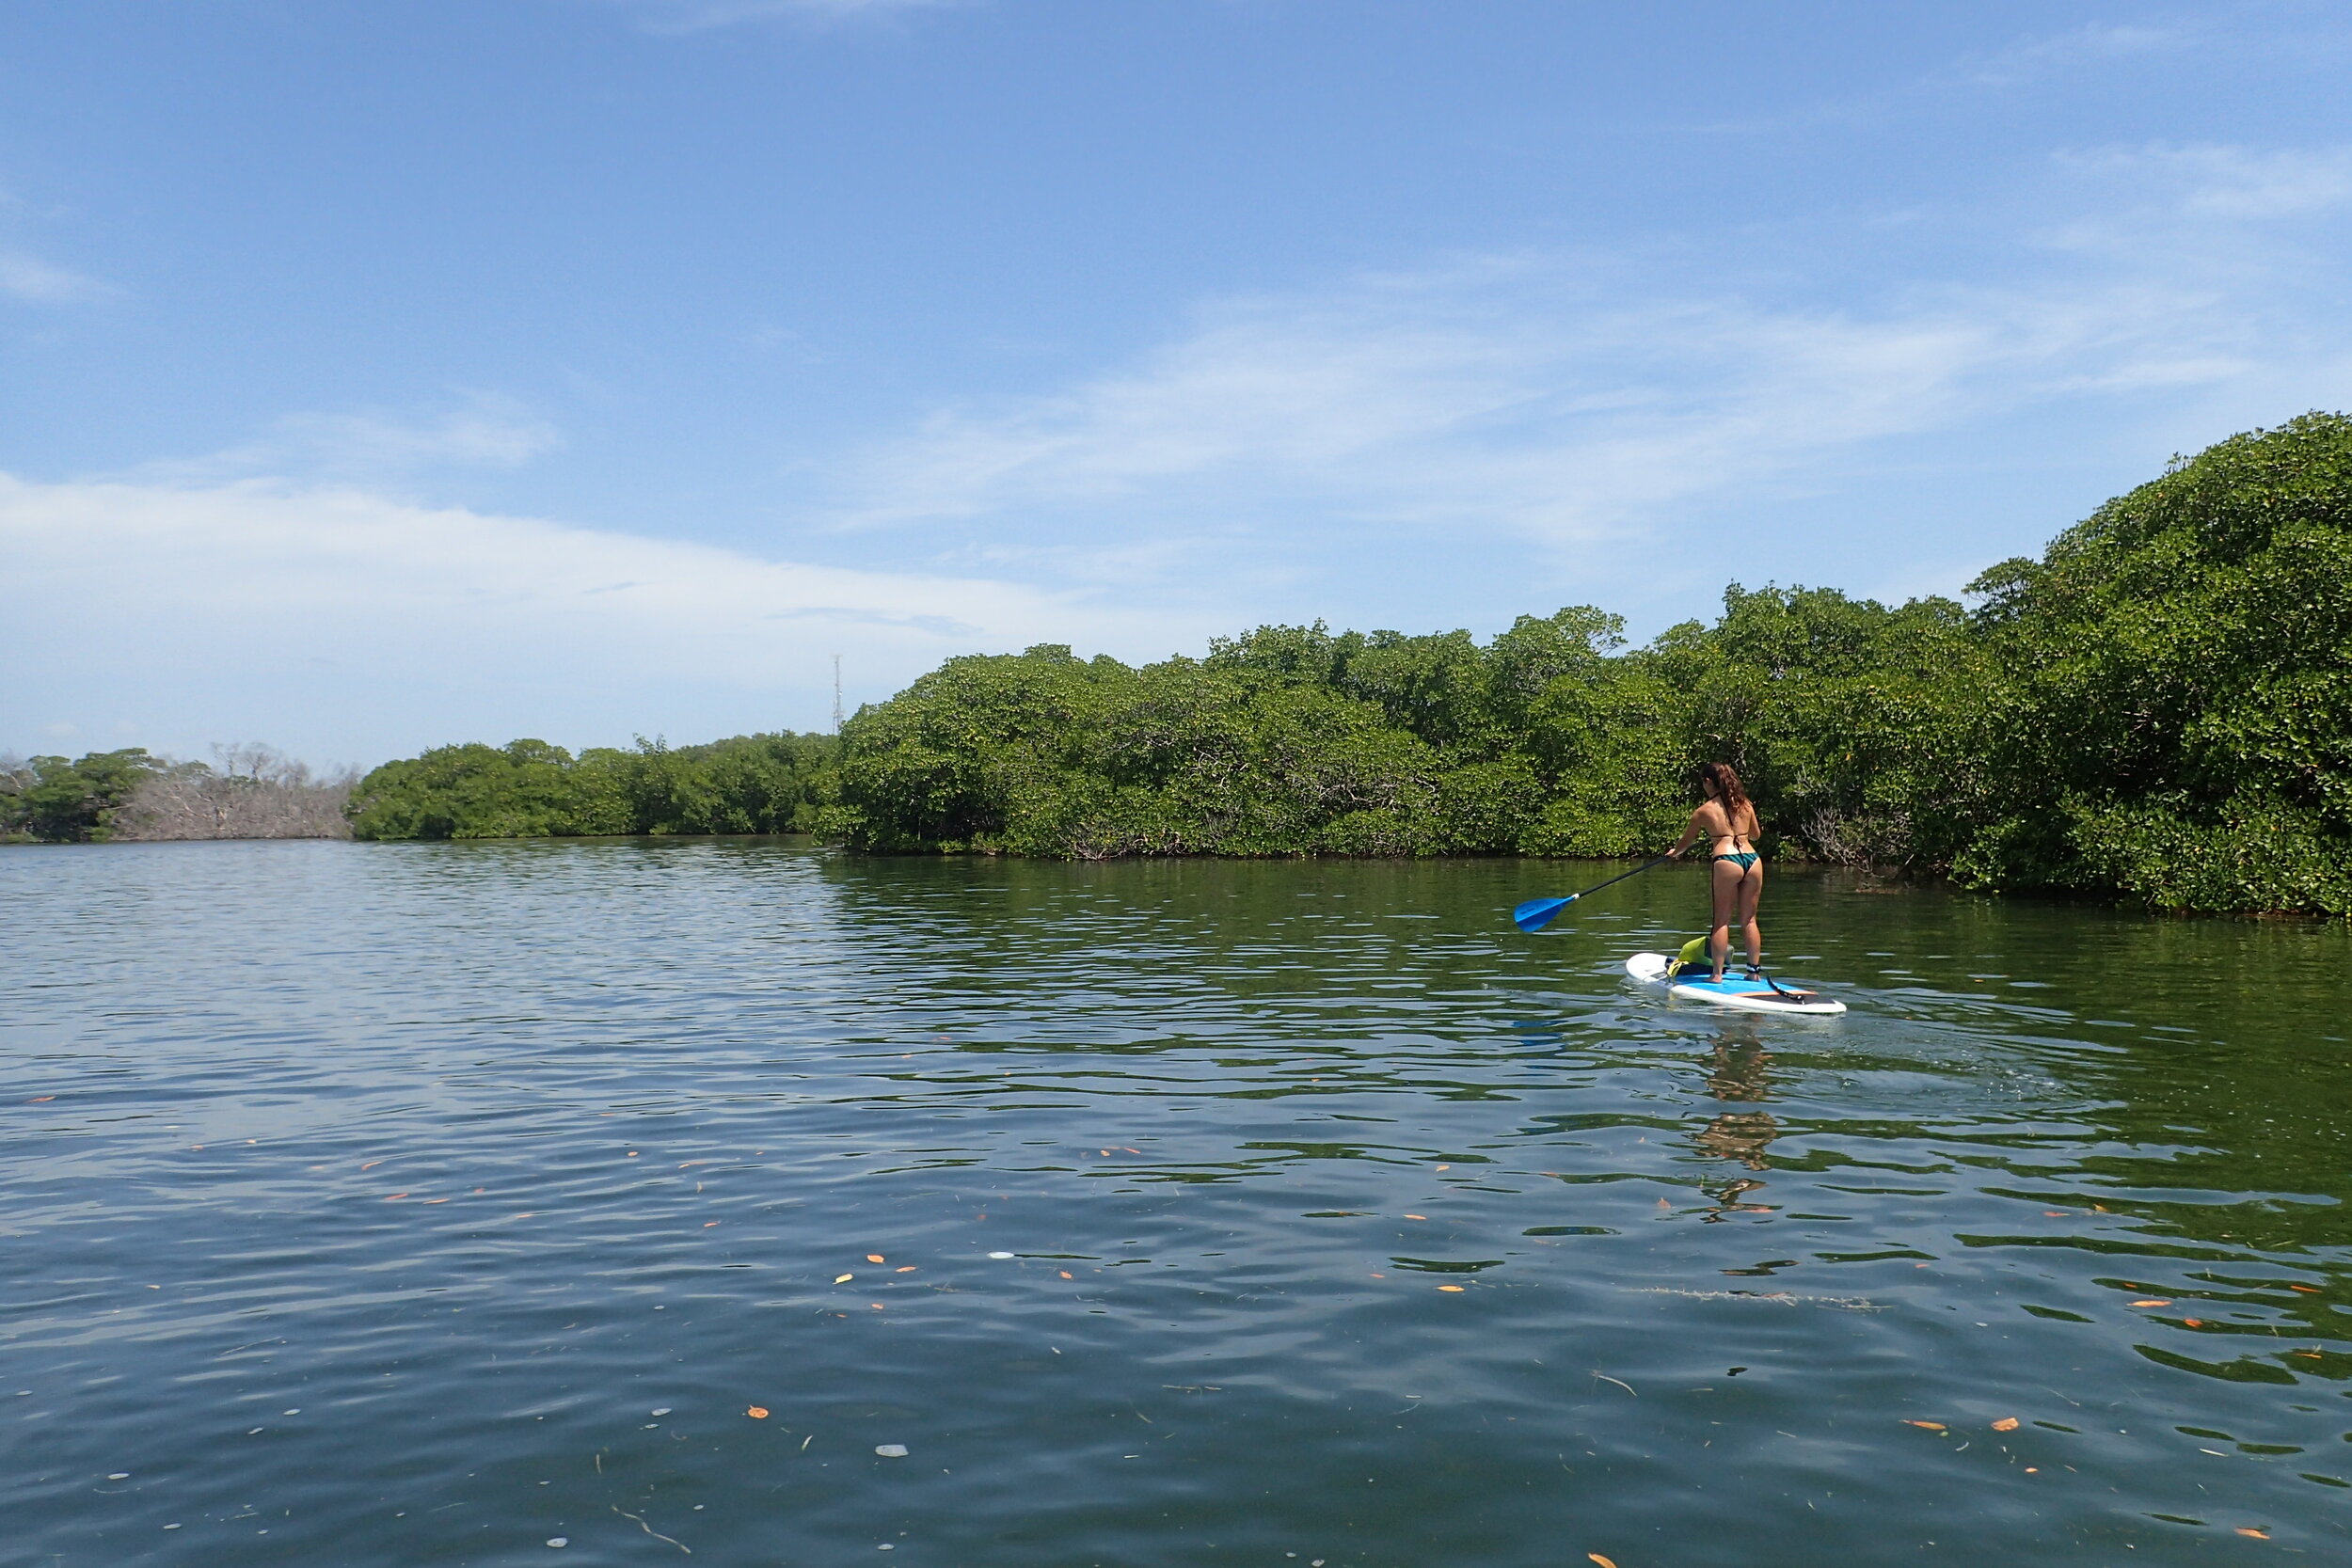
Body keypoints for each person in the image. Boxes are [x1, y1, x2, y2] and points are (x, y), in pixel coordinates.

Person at [1664, 762, 1762, 983]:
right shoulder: (1745, 804)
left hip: (1727, 860)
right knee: (1749, 920)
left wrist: (1675, 852)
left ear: (1709, 781)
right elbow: (1755, 835)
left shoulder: (1704, 811)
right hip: (1752, 859)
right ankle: (1753, 972)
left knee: (1721, 921)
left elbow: (1684, 843)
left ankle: (1716, 975)